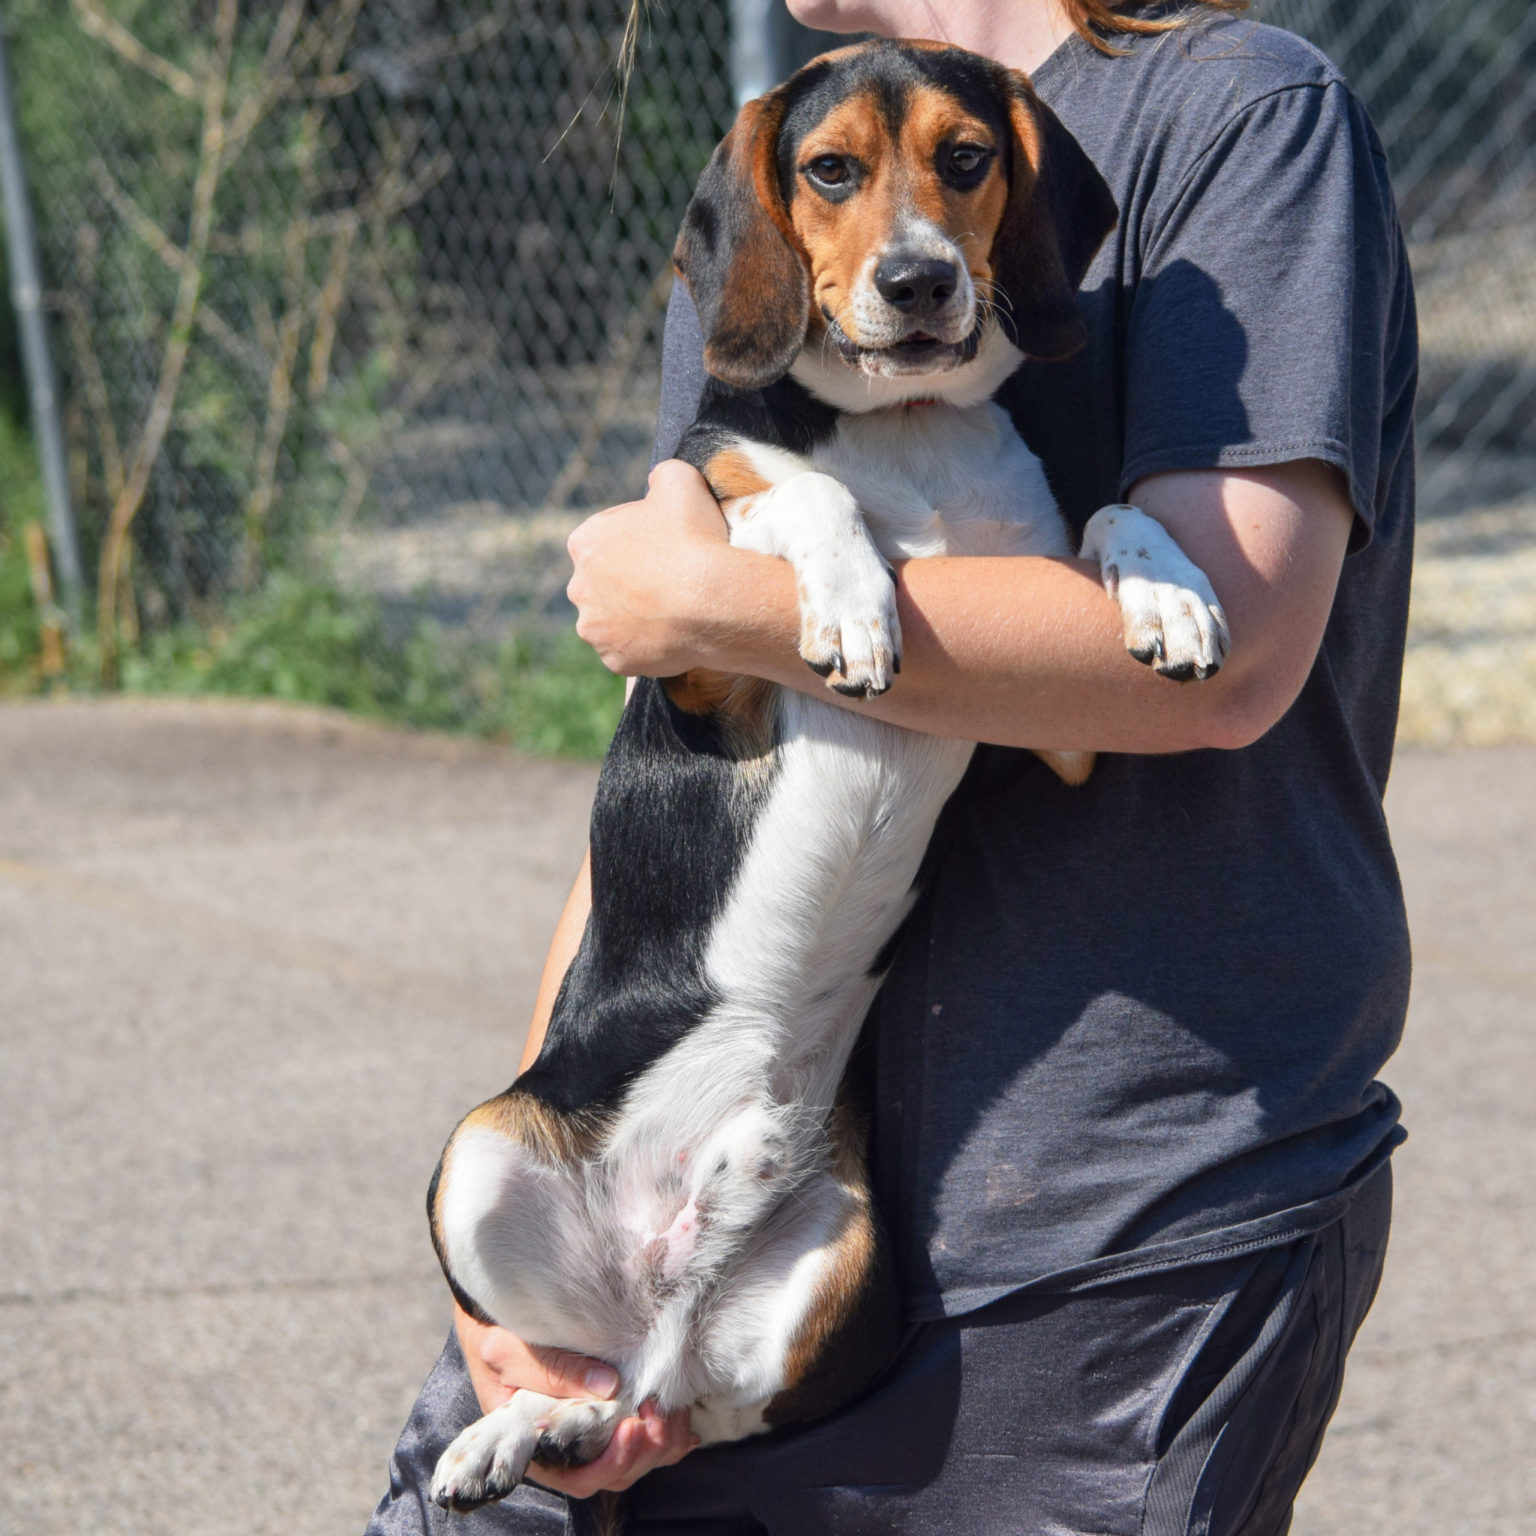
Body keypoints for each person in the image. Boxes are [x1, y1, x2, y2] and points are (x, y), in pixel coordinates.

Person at [368, 0, 1416, 1530]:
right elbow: (677, 733)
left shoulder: (1242, 117)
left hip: (1107, 1211)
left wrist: (746, 599)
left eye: (960, 169)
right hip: (693, 1158)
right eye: (843, 180)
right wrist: (550, 1144)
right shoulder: (766, 193)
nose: (898, 224)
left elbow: (1232, 659)